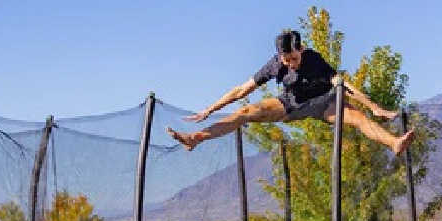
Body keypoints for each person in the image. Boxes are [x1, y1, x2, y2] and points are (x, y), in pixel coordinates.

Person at [166, 29, 414, 154]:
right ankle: (196, 138)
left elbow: (343, 84)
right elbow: (241, 90)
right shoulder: (275, 64)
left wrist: (374, 107)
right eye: (286, 60)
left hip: (325, 103)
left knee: (359, 118)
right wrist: (210, 109)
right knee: (245, 112)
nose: (290, 64)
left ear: (301, 49)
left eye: (293, 58)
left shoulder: (314, 59)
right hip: (291, 104)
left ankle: (394, 143)